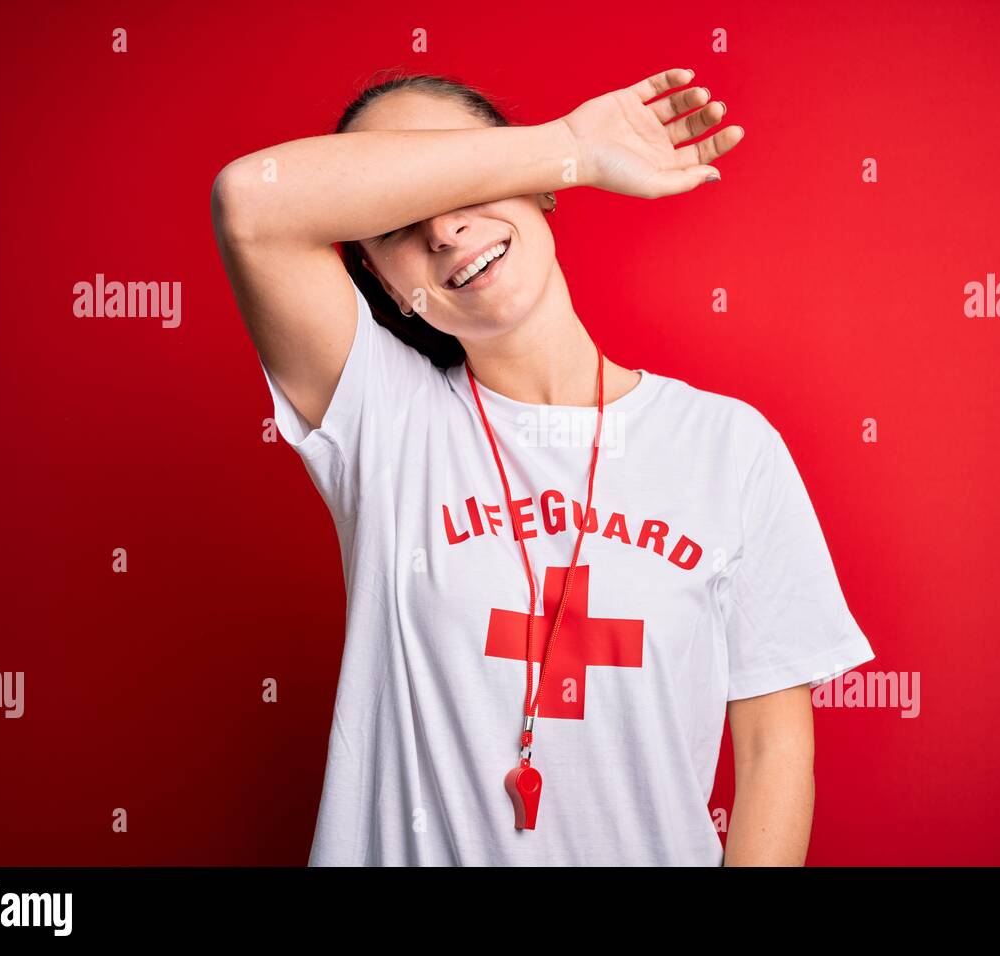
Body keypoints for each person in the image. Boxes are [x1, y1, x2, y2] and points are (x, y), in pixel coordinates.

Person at [210, 66, 875, 866]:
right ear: (385, 290)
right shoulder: (383, 418)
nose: (444, 230)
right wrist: (570, 146)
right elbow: (252, 202)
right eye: (395, 218)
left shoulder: (729, 446)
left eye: (467, 172)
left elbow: (774, 753)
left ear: (539, 190)